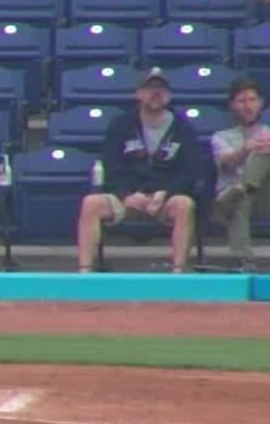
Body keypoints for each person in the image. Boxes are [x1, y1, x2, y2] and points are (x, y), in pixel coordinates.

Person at [77, 68, 211, 274]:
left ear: (169, 95)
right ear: (138, 93)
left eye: (161, 89)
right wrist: (126, 194)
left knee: (184, 205)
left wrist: (165, 192)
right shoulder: (121, 124)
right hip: (127, 197)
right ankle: (85, 271)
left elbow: (191, 171)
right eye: (150, 88)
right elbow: (110, 164)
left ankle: (178, 271)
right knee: (91, 203)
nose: (156, 93)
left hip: (165, 198)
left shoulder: (182, 127)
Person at [210, 77, 269, 271]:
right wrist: (245, 149)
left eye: (252, 100)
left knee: (264, 153)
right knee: (240, 201)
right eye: (242, 101)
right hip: (234, 199)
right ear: (232, 106)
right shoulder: (221, 136)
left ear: (261, 103)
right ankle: (244, 260)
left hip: (261, 197)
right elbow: (226, 162)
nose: (248, 106)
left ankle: (241, 188)